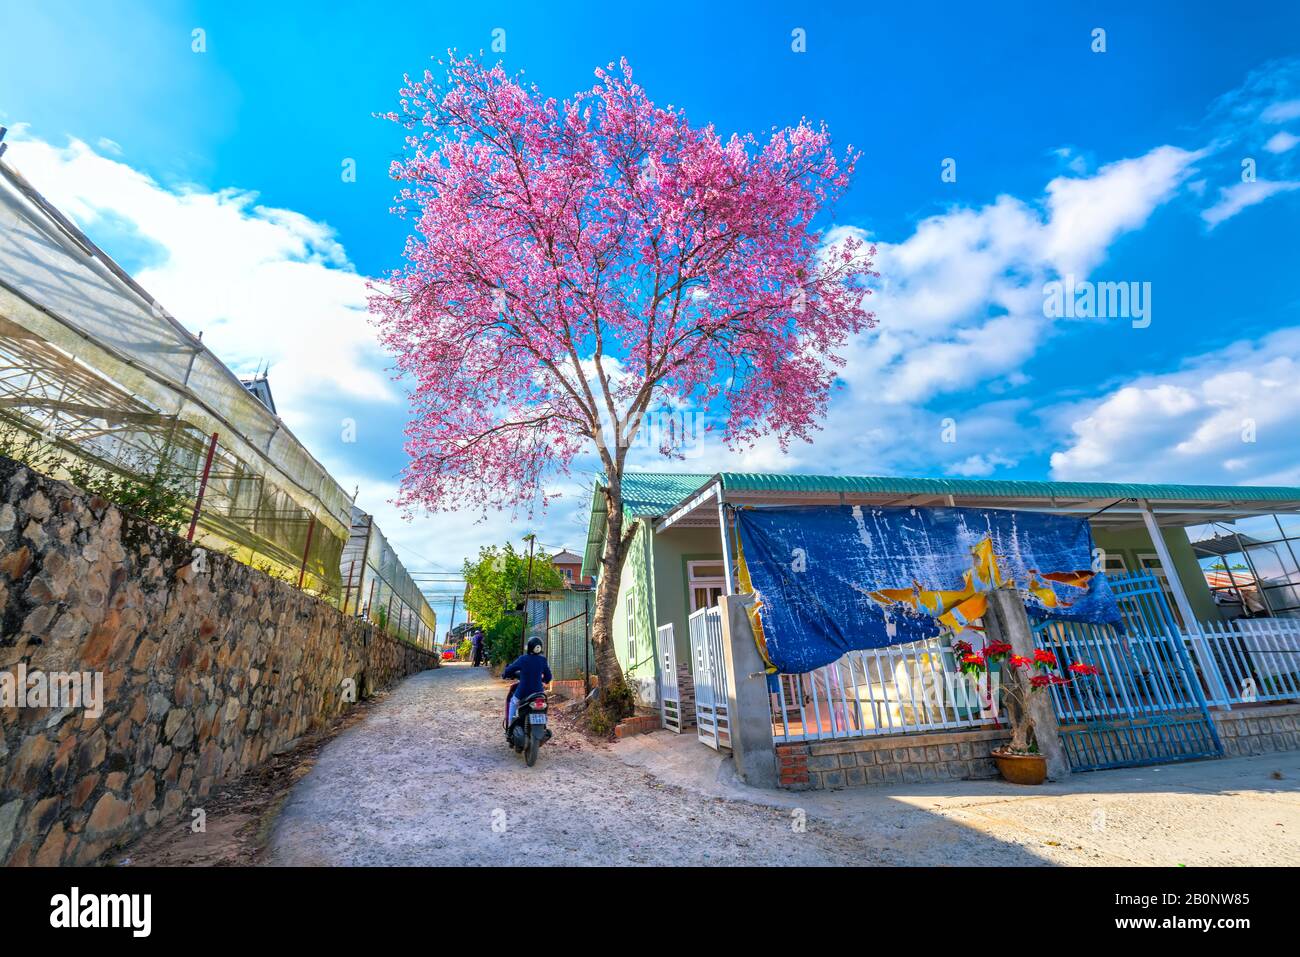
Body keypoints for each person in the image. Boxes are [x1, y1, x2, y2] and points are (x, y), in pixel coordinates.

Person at [502, 637, 552, 726]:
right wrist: (543, 680)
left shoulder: (523, 659)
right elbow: (548, 676)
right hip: (539, 693)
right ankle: (544, 726)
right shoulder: (543, 660)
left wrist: (505, 674)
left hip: (523, 693)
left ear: (529, 647)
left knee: (513, 703)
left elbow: (510, 669)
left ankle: (509, 727)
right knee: (542, 707)